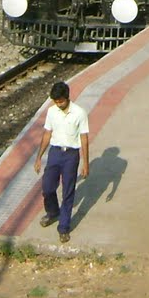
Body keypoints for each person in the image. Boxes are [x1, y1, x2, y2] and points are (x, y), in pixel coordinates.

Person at [32, 81, 90, 243]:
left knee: (68, 192)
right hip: (55, 153)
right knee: (47, 188)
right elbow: (47, 134)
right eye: (56, 101)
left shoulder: (79, 113)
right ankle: (52, 212)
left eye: (61, 101)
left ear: (67, 98)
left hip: (71, 155)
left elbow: (84, 138)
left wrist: (86, 163)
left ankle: (64, 227)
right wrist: (38, 157)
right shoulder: (52, 112)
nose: (58, 104)